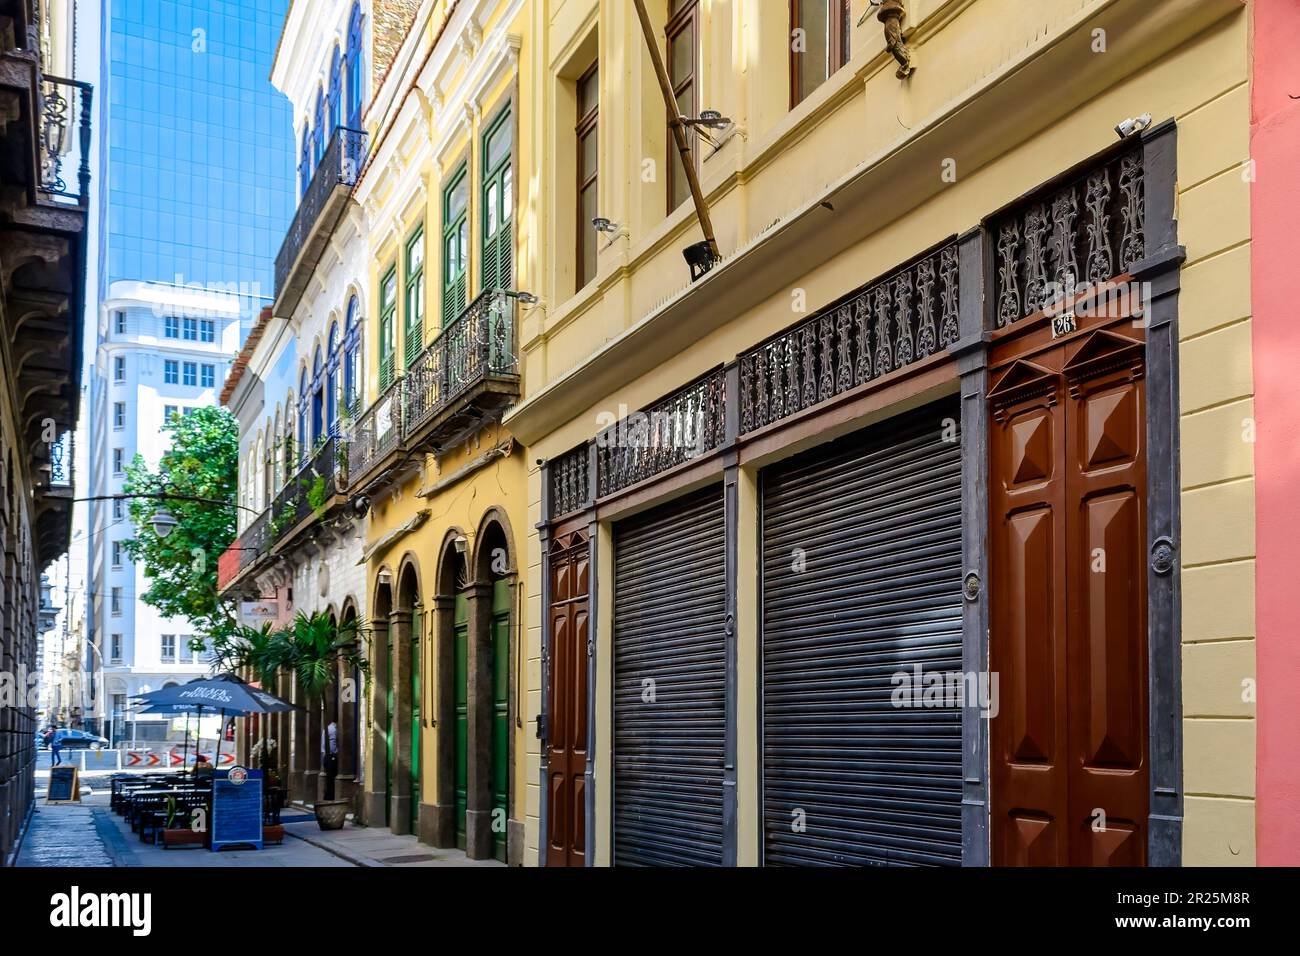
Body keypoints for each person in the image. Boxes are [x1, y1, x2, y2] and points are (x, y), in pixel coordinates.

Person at [321, 720, 339, 800]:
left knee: (329, 777)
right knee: (332, 777)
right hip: (331, 756)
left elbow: (323, 745)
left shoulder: (327, 728)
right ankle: (330, 795)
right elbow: (333, 744)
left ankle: (328, 795)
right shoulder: (334, 729)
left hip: (326, 756)